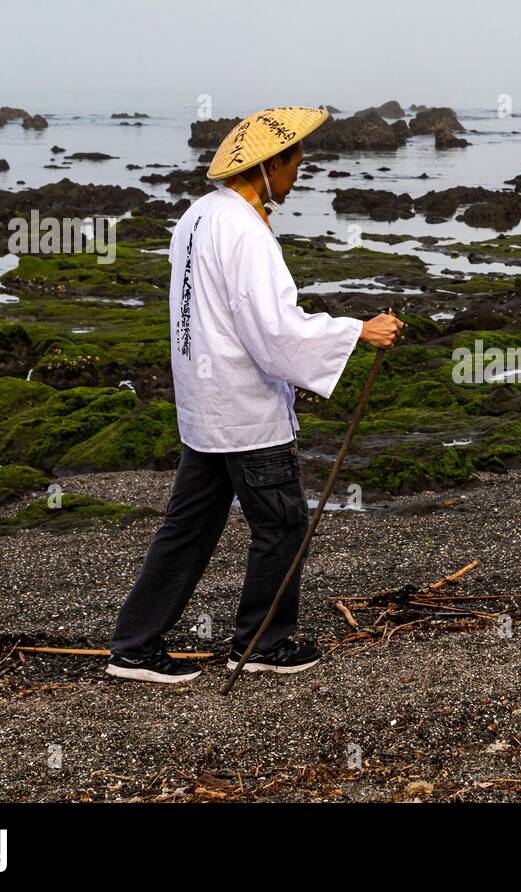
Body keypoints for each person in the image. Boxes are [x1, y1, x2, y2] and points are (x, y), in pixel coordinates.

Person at [106, 106, 404, 683]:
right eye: (296, 164)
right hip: (244, 410)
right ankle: (264, 643)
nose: (299, 175)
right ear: (272, 165)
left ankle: (135, 647)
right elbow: (273, 330)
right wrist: (358, 331)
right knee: (282, 524)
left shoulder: (198, 215)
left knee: (189, 526)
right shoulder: (244, 230)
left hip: (204, 401)